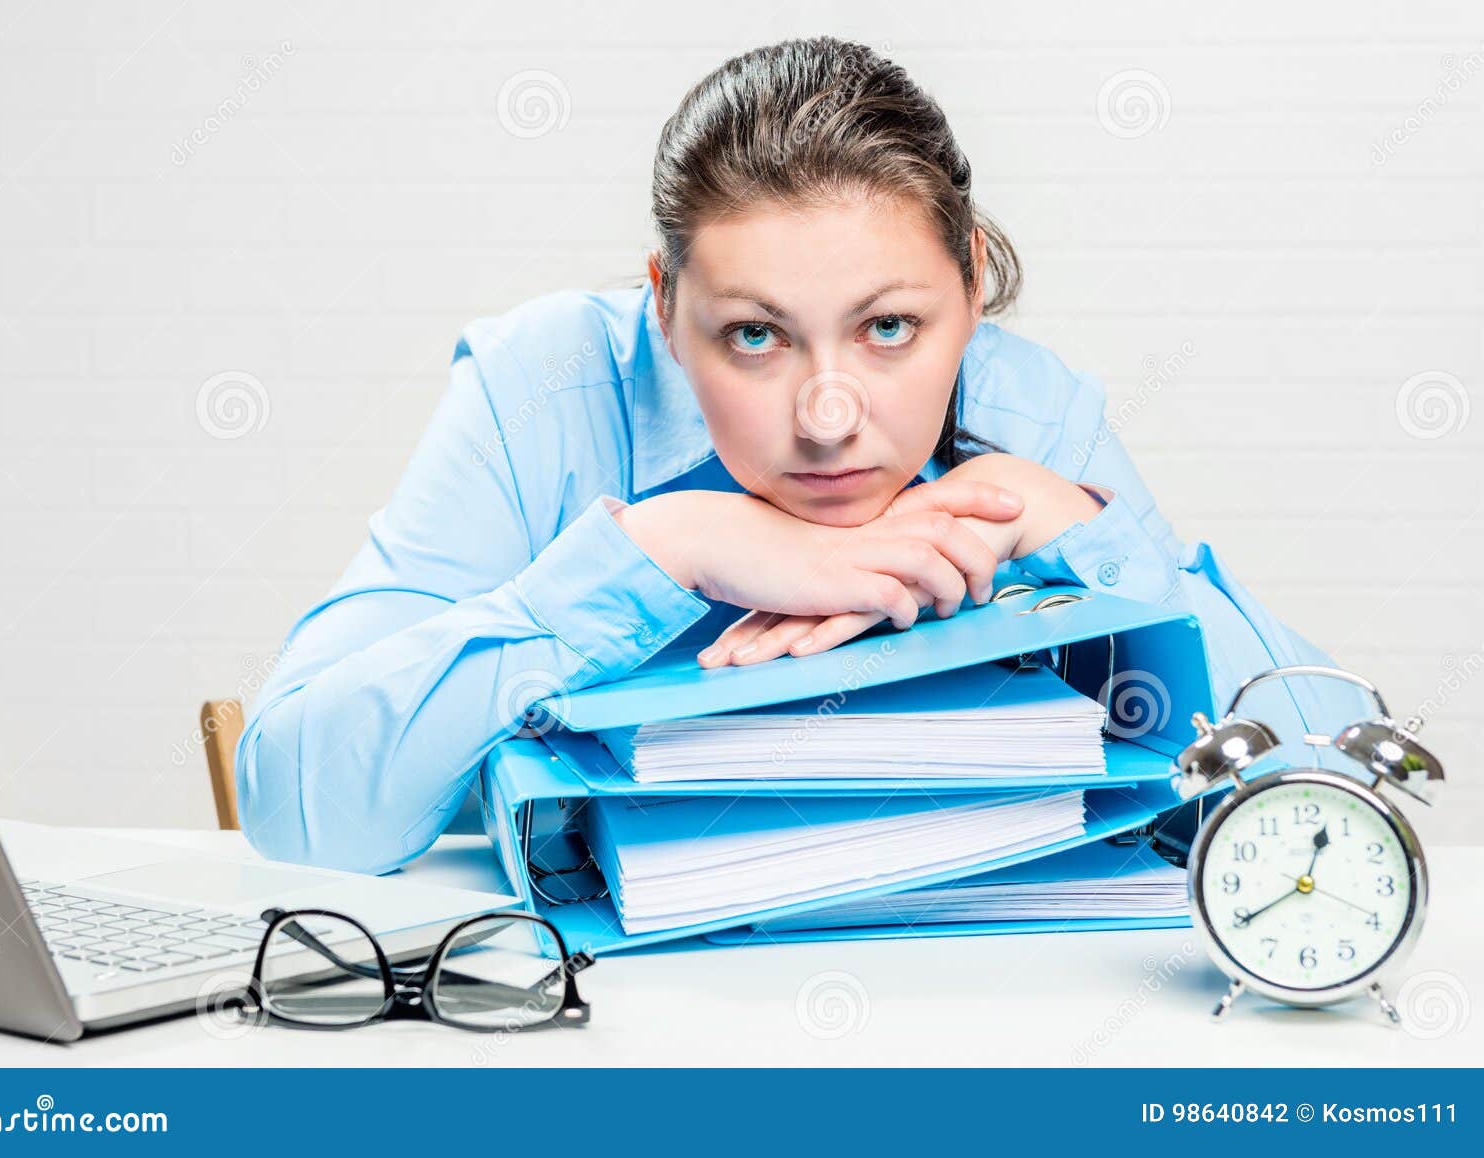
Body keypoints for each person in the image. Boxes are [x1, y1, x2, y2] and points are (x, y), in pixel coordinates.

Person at [236, 37, 1352, 875]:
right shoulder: (546, 392)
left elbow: (1332, 801)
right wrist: (660, 550)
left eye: (889, 329)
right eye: (754, 336)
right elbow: (299, 813)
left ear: (970, 286)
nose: (826, 417)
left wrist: (1065, 521)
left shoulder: (1023, 408)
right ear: (667, 307)